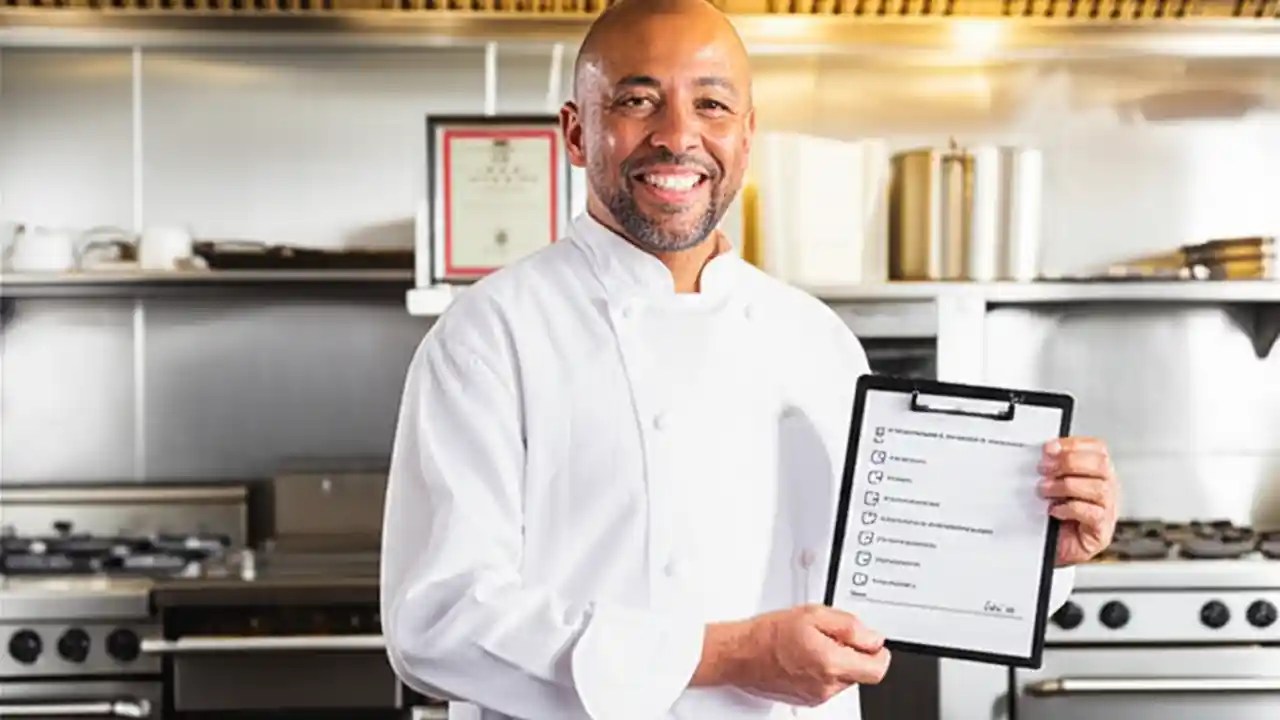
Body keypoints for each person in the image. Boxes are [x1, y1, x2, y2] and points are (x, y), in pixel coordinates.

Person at [379, 1, 1119, 718]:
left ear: (748, 133)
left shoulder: (814, 335)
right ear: (577, 132)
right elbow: (436, 622)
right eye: (638, 100)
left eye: (712, 105)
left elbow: (884, 576)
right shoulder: (491, 336)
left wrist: (1035, 548)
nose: (677, 136)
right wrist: (729, 656)